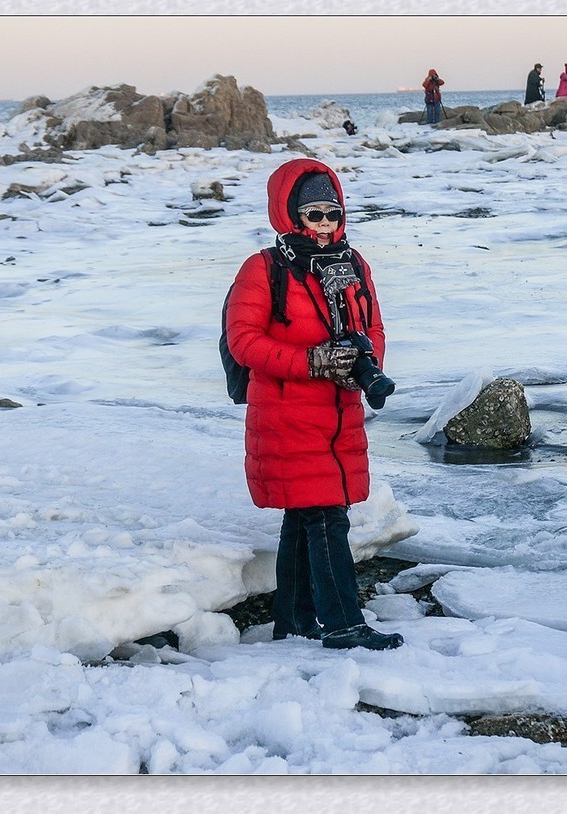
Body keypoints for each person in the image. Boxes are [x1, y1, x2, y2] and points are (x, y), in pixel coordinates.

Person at [225, 158, 404, 652]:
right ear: (289, 214)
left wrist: (363, 363)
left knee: (306, 517)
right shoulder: (264, 268)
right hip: (287, 412)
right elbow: (244, 341)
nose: (325, 224)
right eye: (314, 215)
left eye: (332, 213)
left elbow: (373, 326)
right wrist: (312, 361)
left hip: (340, 412)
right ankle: (344, 624)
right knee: (325, 516)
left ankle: (295, 620)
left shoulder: (353, 264)